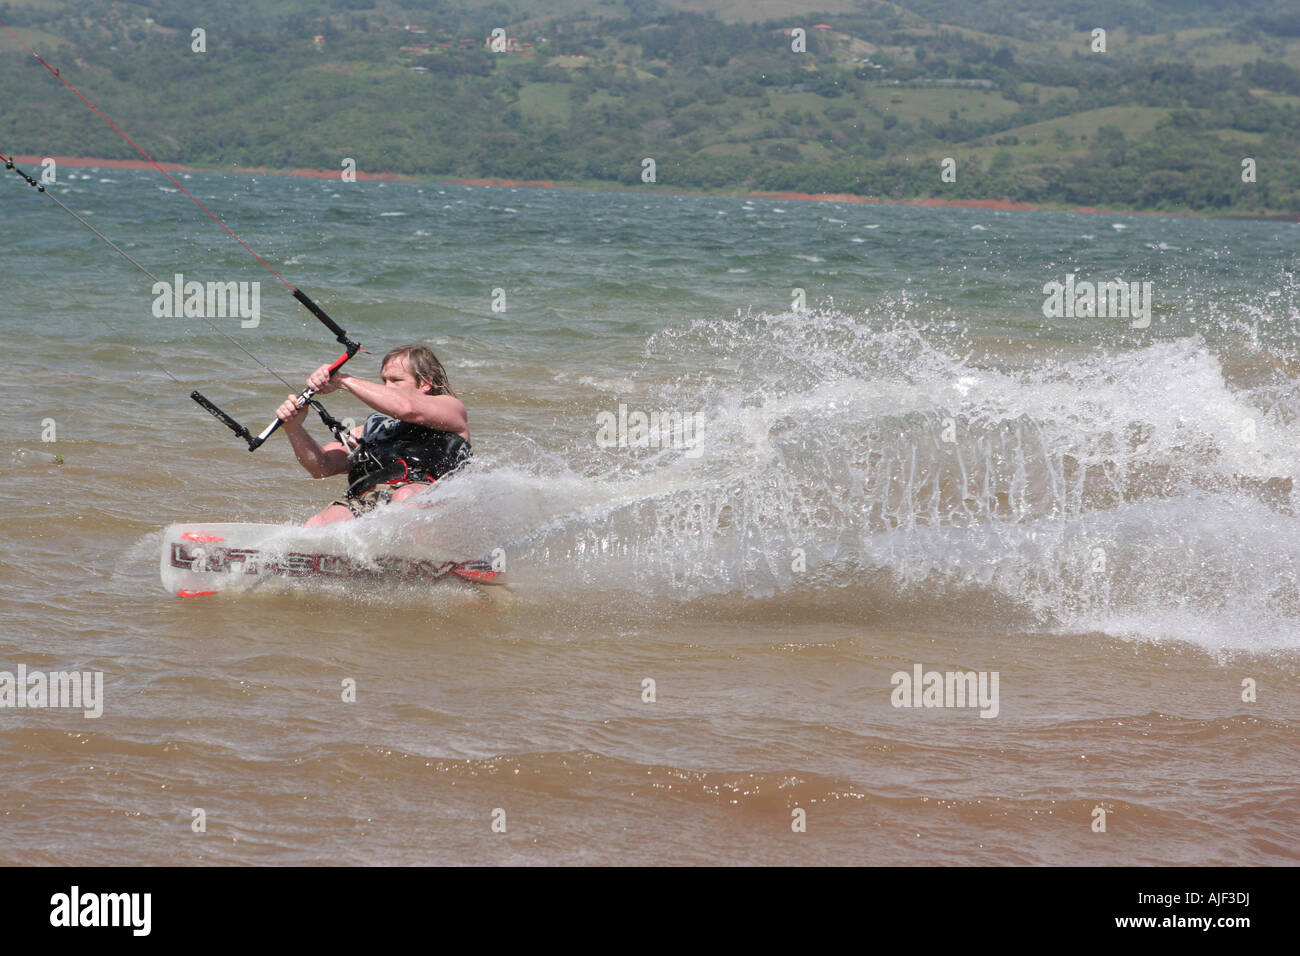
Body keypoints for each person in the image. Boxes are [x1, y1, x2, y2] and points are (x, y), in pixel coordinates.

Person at [276, 344, 471, 527]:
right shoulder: (369, 430)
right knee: (321, 522)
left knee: (406, 497)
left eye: (396, 380)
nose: (387, 386)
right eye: (384, 380)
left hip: (433, 500)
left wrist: (343, 380)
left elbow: (407, 408)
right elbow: (321, 466)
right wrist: (293, 427)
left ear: (425, 384)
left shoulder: (451, 409)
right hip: (374, 503)